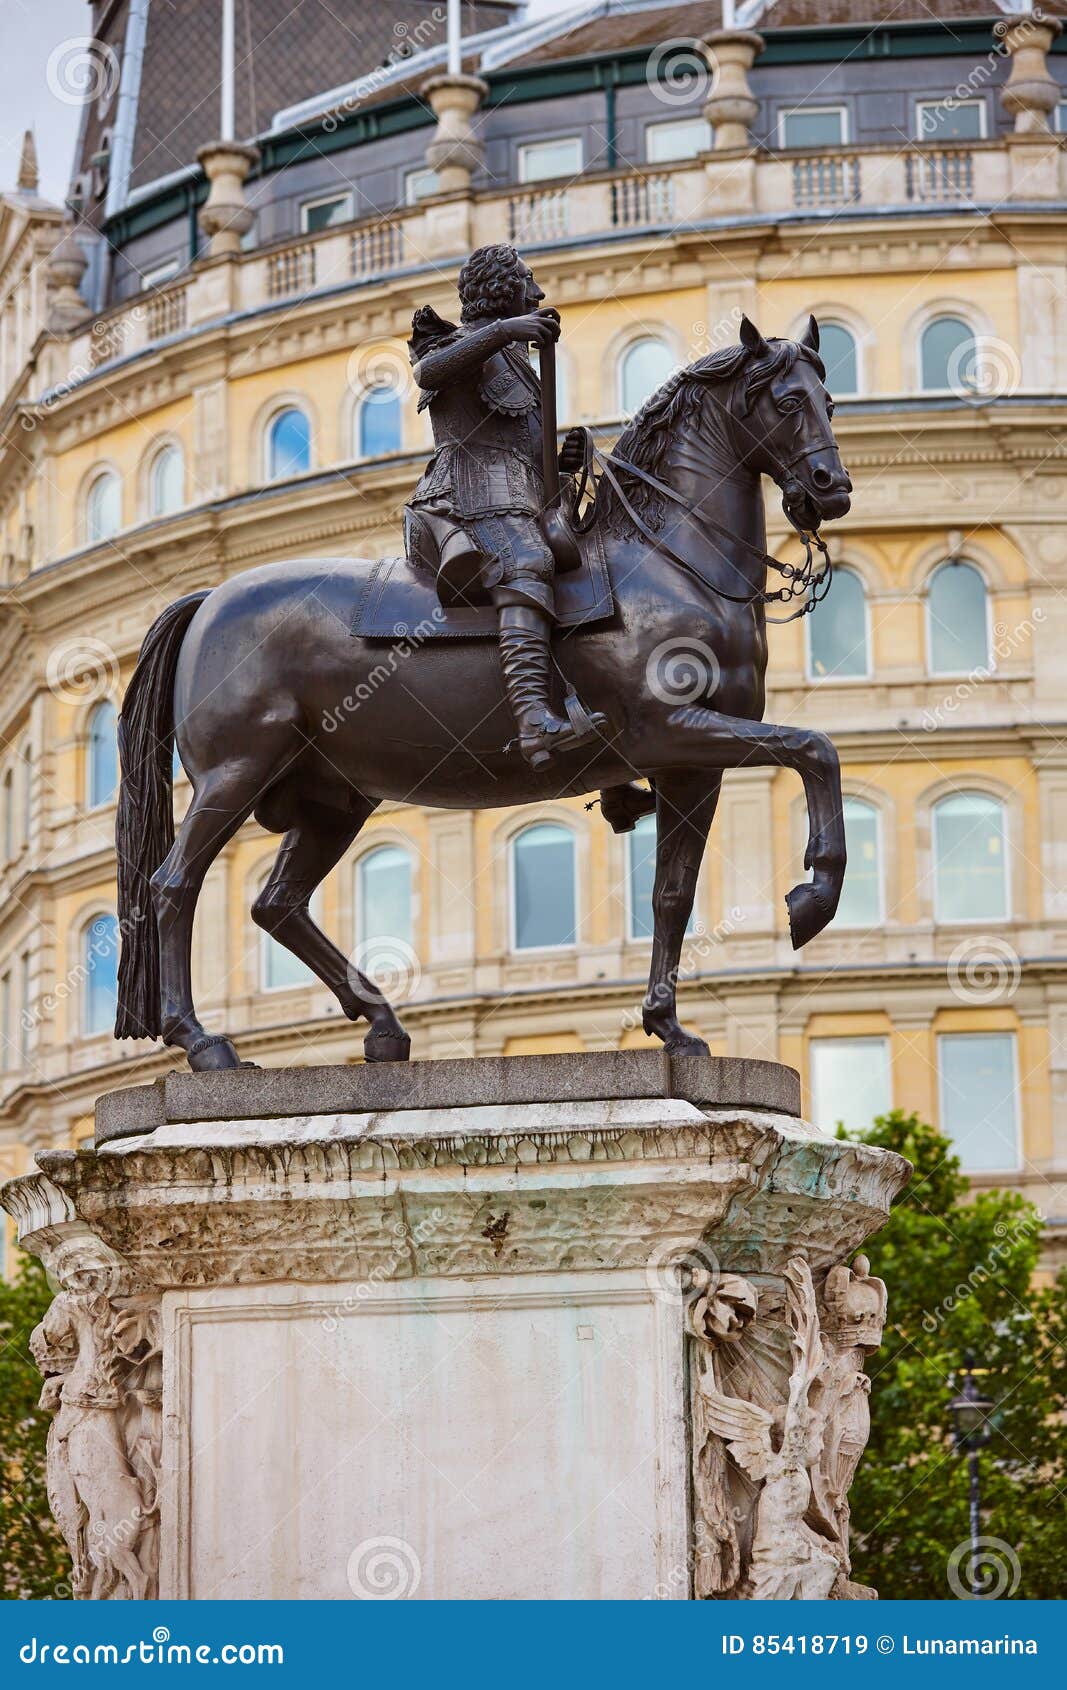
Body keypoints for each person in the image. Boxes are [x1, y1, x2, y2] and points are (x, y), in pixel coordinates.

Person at [406, 243, 602, 769]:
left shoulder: (520, 367)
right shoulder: (457, 342)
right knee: (528, 563)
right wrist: (502, 332)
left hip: (517, 496)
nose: (537, 294)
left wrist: (564, 462)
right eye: (529, 282)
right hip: (467, 496)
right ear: (501, 288)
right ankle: (533, 718)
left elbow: (524, 454)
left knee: (595, 576)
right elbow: (430, 374)